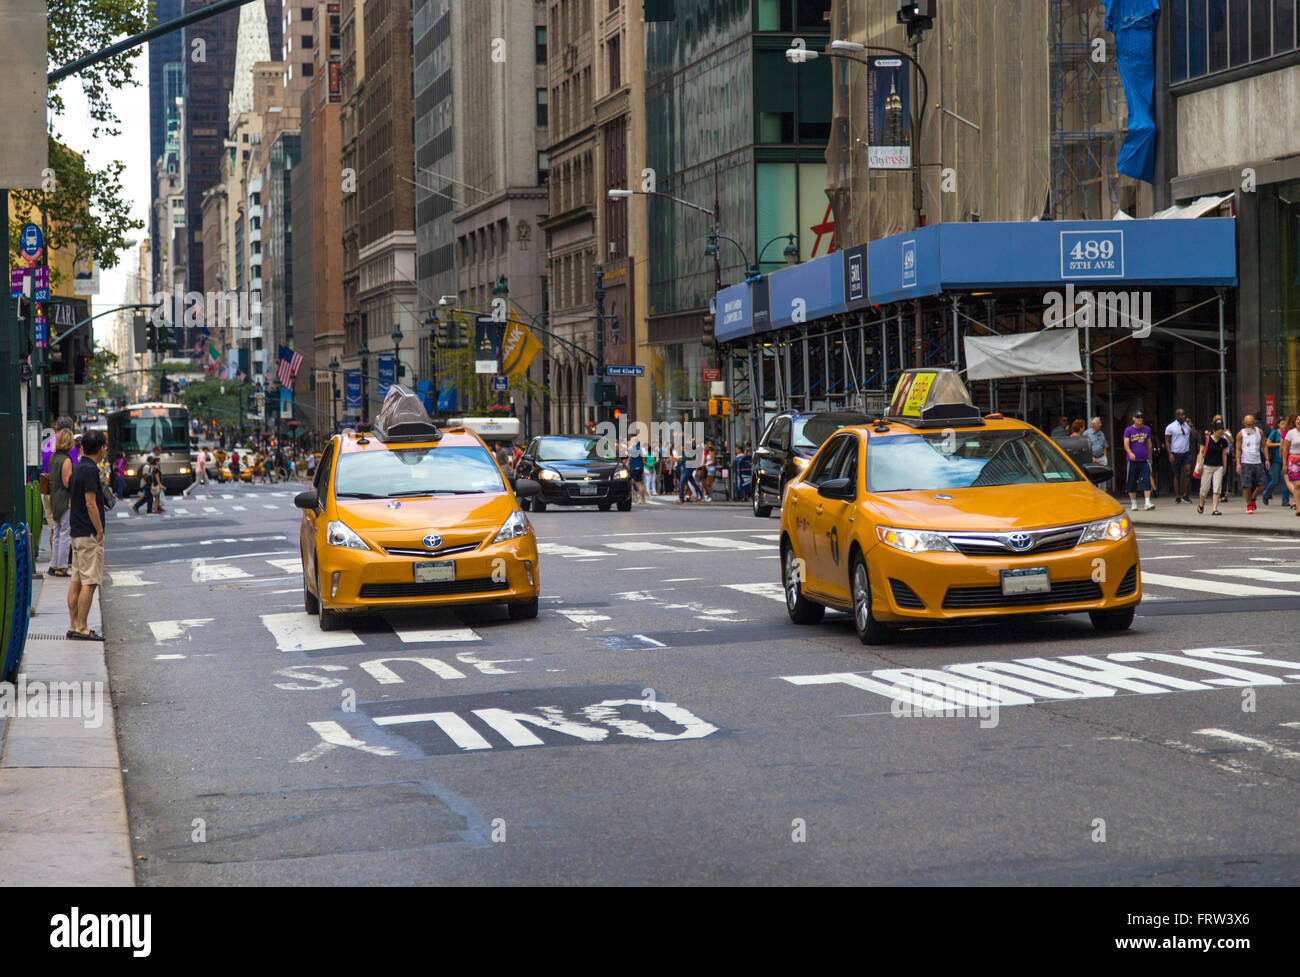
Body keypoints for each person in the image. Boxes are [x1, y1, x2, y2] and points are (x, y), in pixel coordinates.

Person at [67, 429, 108, 641]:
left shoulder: (77, 468)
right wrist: (99, 529)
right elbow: (91, 502)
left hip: (76, 531)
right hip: (88, 533)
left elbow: (72, 502)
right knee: (89, 582)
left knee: (76, 579)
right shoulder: (91, 470)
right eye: (105, 447)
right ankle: (82, 627)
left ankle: (73, 624)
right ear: (101, 449)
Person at [47, 428, 75, 577]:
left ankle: (55, 564)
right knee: (65, 533)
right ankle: (63, 567)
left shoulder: (53, 458)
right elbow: (67, 482)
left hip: (55, 497)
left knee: (57, 532)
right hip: (65, 499)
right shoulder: (66, 460)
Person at [1195, 421, 1231, 515]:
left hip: (1218, 466)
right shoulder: (1206, 439)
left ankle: (1214, 508)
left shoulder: (1223, 441)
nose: (1220, 434)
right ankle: (1201, 503)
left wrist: (1224, 466)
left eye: (1221, 432)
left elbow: (1224, 454)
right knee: (1204, 488)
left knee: (1217, 487)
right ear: (1214, 431)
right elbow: (1201, 452)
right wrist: (1199, 464)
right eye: (1218, 432)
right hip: (1207, 466)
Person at [1123, 409, 1155, 510]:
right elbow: (1126, 443)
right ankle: (1133, 503)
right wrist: (1130, 453)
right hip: (1132, 460)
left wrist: (1150, 457)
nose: (1140, 419)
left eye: (1141, 417)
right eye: (1138, 417)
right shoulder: (1128, 430)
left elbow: (1149, 444)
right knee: (1132, 481)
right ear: (1133, 419)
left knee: (1146, 479)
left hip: (1144, 459)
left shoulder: (1147, 429)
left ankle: (1147, 502)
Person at [1235, 413, 1267, 513]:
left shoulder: (1259, 432)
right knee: (1246, 485)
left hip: (1257, 461)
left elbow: (1264, 445)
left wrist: (1267, 459)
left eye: (1252, 424)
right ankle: (1249, 504)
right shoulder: (1241, 434)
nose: (1250, 427)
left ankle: (1253, 497)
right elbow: (1238, 449)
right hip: (1246, 461)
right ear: (1244, 424)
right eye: (1248, 424)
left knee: (1262, 485)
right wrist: (1238, 463)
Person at [1164, 408, 1194, 503]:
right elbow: (1167, 441)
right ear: (1177, 416)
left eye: (1184, 414)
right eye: (1181, 415)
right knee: (1177, 474)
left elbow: (1196, 435)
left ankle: (1185, 494)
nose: (1183, 416)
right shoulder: (1170, 427)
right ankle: (1177, 496)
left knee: (1188, 472)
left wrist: (1191, 426)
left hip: (1186, 452)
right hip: (1175, 452)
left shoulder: (1187, 425)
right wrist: (1170, 454)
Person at [1262, 414, 1291, 507]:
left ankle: (1285, 500)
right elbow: (1267, 444)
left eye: (1285, 423)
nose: (1283, 425)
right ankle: (1266, 494)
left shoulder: (1288, 433)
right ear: (1278, 424)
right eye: (1282, 423)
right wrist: (1279, 444)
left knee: (1286, 480)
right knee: (1275, 480)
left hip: (1285, 459)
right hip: (1275, 460)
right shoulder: (1274, 432)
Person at [1282, 413, 1300, 517]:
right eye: (1298, 419)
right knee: (1297, 484)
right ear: (1295, 422)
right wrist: (1284, 463)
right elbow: (1285, 449)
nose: (1299, 421)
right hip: (1293, 460)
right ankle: (1298, 508)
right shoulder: (1290, 433)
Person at [627, 437, 647, 503]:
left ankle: (638, 498)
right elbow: (643, 459)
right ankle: (639, 497)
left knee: (637, 484)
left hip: (634, 468)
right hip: (640, 467)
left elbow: (629, 459)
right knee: (637, 483)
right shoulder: (642, 449)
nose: (630, 441)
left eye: (631, 440)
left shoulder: (631, 449)